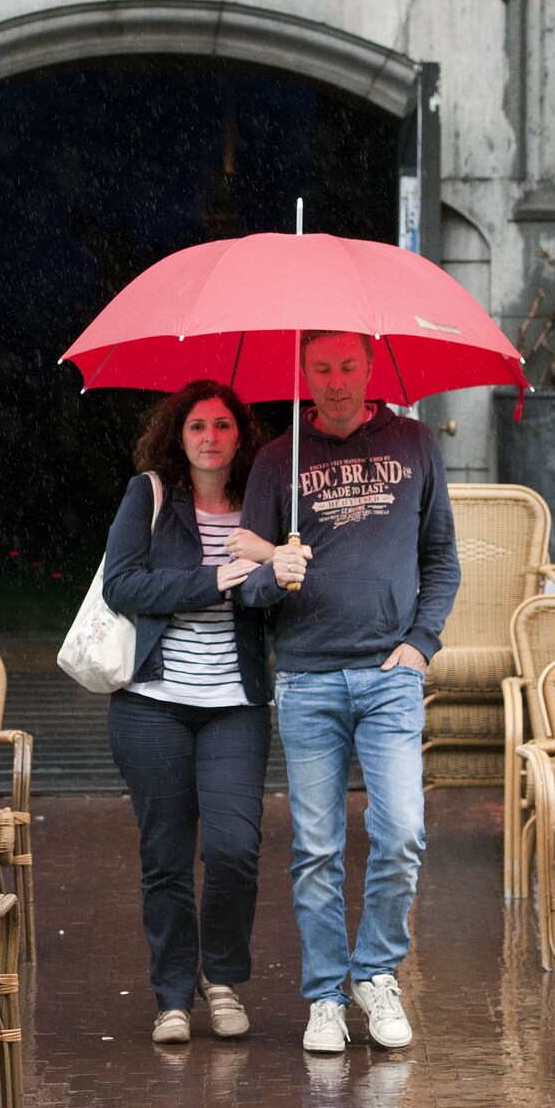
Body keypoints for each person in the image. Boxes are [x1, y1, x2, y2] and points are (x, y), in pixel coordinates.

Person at [236, 330, 459, 1054]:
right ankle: (326, 995)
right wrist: (279, 573)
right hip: (305, 678)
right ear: (303, 371)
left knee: (401, 835)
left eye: (348, 366)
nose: (335, 381)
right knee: (317, 849)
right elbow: (249, 585)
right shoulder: (278, 459)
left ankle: (377, 974)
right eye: (322, 367)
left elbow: (441, 559)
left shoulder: (417, 443)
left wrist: (420, 645)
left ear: (370, 367)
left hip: (390, 679)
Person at [101, 379, 274, 1045]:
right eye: (197, 425)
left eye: (223, 426)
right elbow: (122, 583)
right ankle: (173, 994)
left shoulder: (265, 505)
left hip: (235, 704)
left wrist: (275, 569)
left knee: (235, 848)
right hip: (153, 706)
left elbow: (275, 601)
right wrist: (212, 578)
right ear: (178, 434)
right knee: (166, 857)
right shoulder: (149, 495)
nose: (210, 437)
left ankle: (222, 977)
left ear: (241, 436)